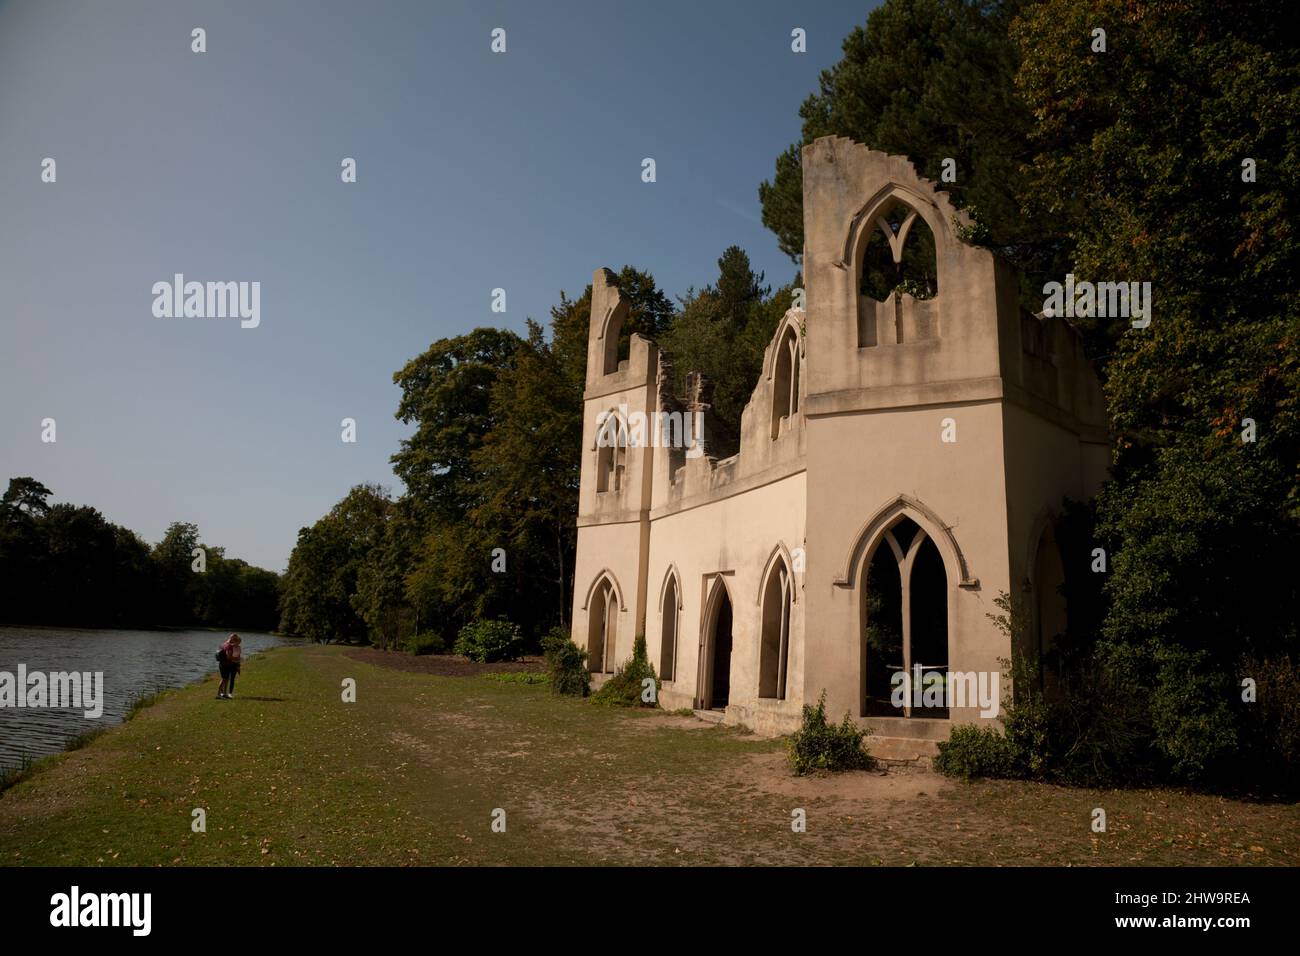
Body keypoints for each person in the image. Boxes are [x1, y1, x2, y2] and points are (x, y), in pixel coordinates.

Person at [216, 634, 243, 700]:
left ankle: (224, 694)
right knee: (224, 679)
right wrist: (236, 659)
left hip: (223, 664)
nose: (236, 641)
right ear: (233, 639)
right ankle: (218, 694)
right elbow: (228, 656)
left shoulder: (224, 643)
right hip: (225, 665)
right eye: (235, 639)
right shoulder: (229, 646)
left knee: (226, 679)